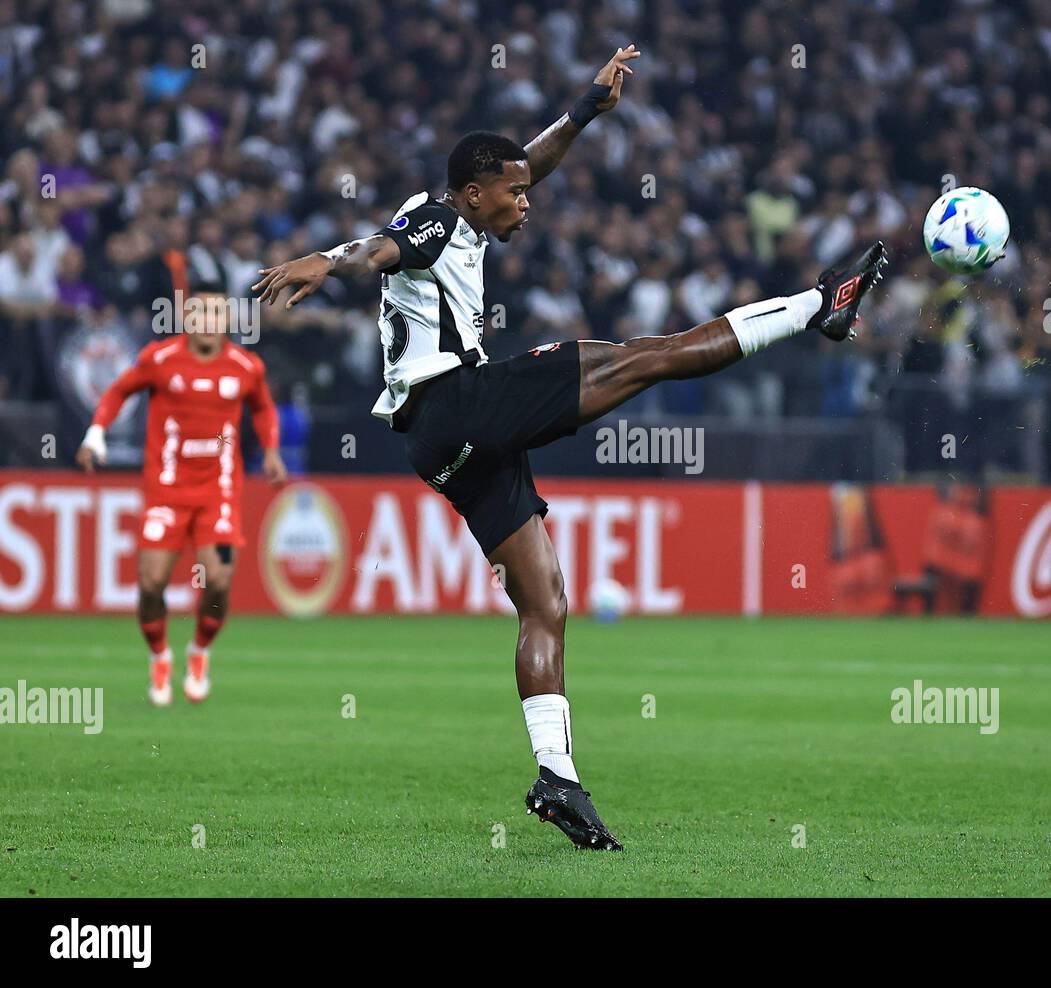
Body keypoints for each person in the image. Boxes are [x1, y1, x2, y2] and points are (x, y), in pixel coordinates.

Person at [251, 44, 887, 851]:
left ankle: (558, 778)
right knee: (646, 356)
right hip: (458, 402)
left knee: (545, 601)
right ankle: (816, 308)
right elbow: (377, 249)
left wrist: (585, 109)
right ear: (474, 191)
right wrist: (325, 260)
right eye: (512, 193)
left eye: (525, 190)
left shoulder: (469, 213)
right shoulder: (440, 217)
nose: (527, 202)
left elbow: (530, 163)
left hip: (437, 441)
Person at [76, 276, 287, 706]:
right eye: (200, 313)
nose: (208, 321)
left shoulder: (246, 367)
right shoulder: (160, 360)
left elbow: (263, 407)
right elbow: (118, 391)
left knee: (219, 579)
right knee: (151, 583)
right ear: (186, 318)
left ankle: (200, 650)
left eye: (216, 313)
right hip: (166, 492)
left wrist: (270, 451)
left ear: (228, 319)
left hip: (220, 493)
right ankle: (159, 656)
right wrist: (96, 433)